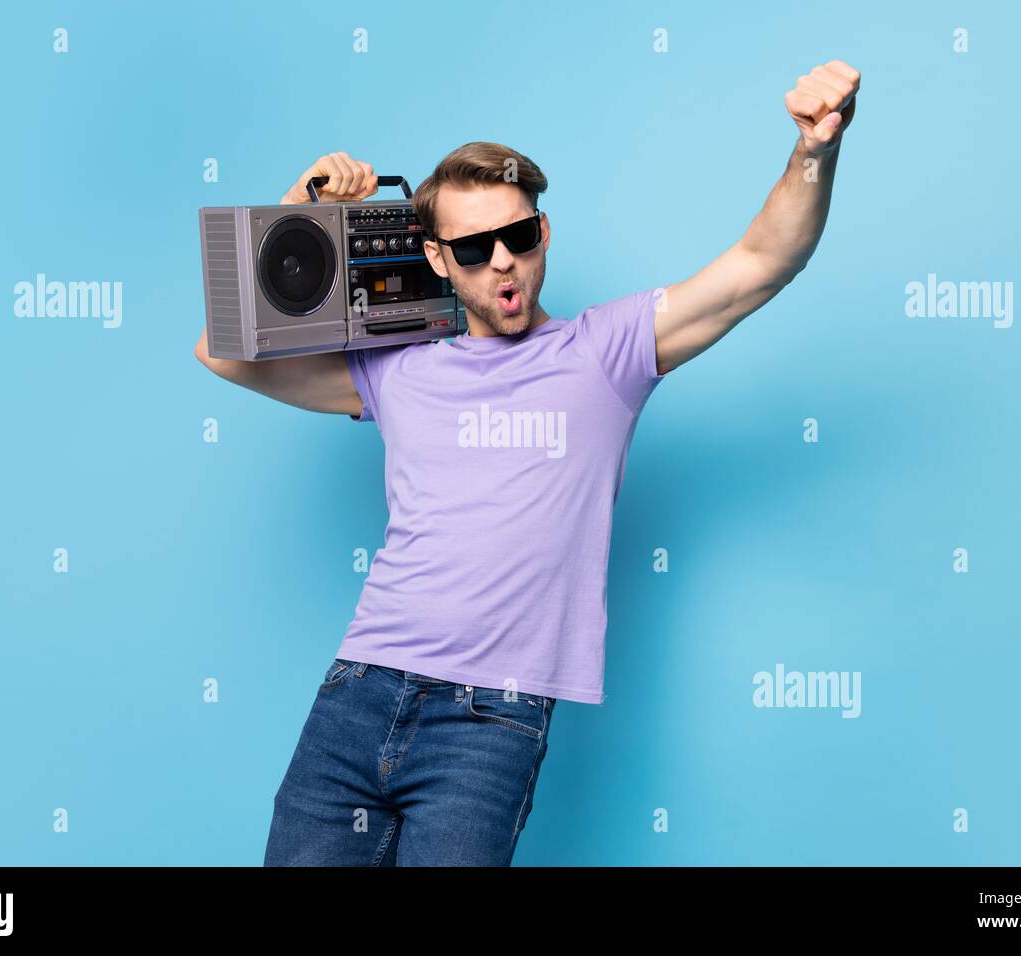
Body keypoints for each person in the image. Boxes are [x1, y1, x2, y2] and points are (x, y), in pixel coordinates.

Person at [194, 60, 861, 866]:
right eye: (474, 248)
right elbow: (224, 353)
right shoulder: (394, 363)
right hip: (358, 691)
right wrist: (300, 210)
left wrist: (814, 149)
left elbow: (763, 262)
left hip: (489, 721)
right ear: (438, 261)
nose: (502, 261)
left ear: (543, 233)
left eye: (519, 236)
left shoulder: (604, 354)